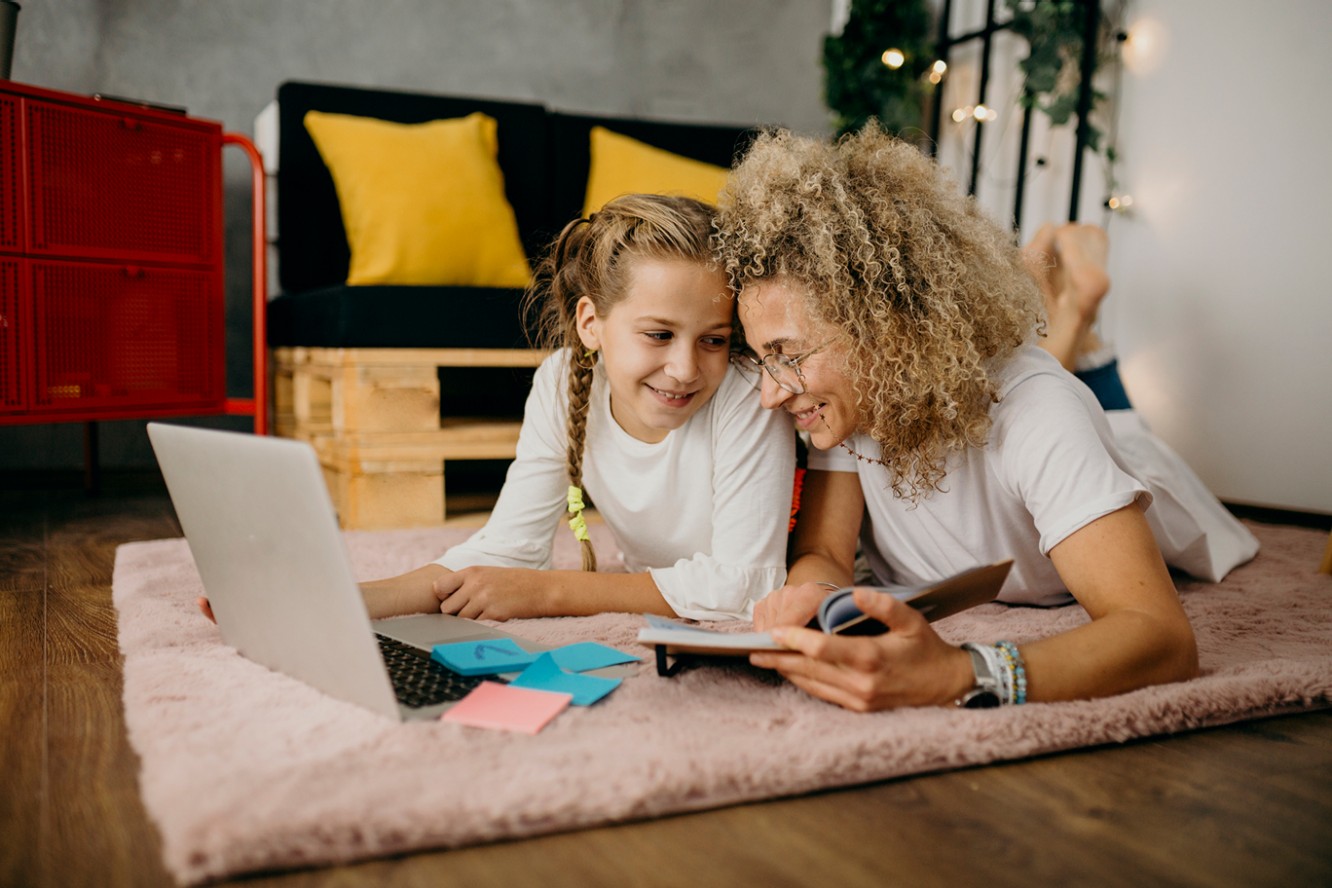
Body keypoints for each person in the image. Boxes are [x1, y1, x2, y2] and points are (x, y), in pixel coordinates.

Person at [710, 126, 1249, 712]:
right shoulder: (845, 404)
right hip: (1016, 418)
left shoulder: (1040, 413)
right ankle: (1071, 314)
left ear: (883, 327)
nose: (768, 395)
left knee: (1073, 399)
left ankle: (1079, 317)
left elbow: (1163, 640)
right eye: (764, 360)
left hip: (1137, 464)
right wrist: (815, 596)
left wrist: (960, 672)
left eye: (787, 355)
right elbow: (826, 554)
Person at [352, 193, 795, 623]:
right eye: (659, 335)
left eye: (713, 340)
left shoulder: (747, 394)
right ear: (590, 324)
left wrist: (549, 592)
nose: (684, 369)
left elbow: (744, 585)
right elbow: (507, 549)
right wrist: (358, 600)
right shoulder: (561, 381)